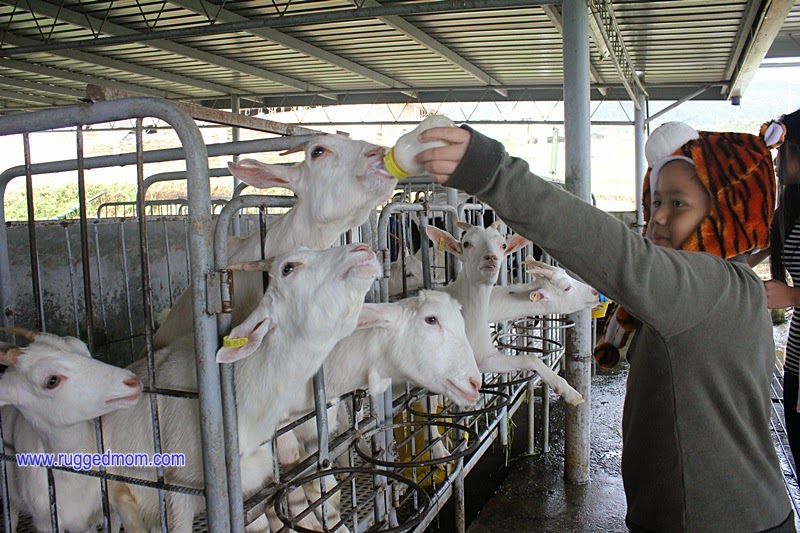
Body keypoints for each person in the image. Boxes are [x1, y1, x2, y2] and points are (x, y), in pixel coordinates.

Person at [415, 121, 794, 532]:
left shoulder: (708, 285)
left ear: (730, 211)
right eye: (656, 200)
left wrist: (491, 172)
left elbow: (611, 250)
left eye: (679, 204)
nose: (659, 217)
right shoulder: (732, 286)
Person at [757, 108, 800, 468]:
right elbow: (759, 248)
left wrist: (793, 295)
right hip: (797, 360)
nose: (774, 161)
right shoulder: (791, 206)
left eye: (780, 151)